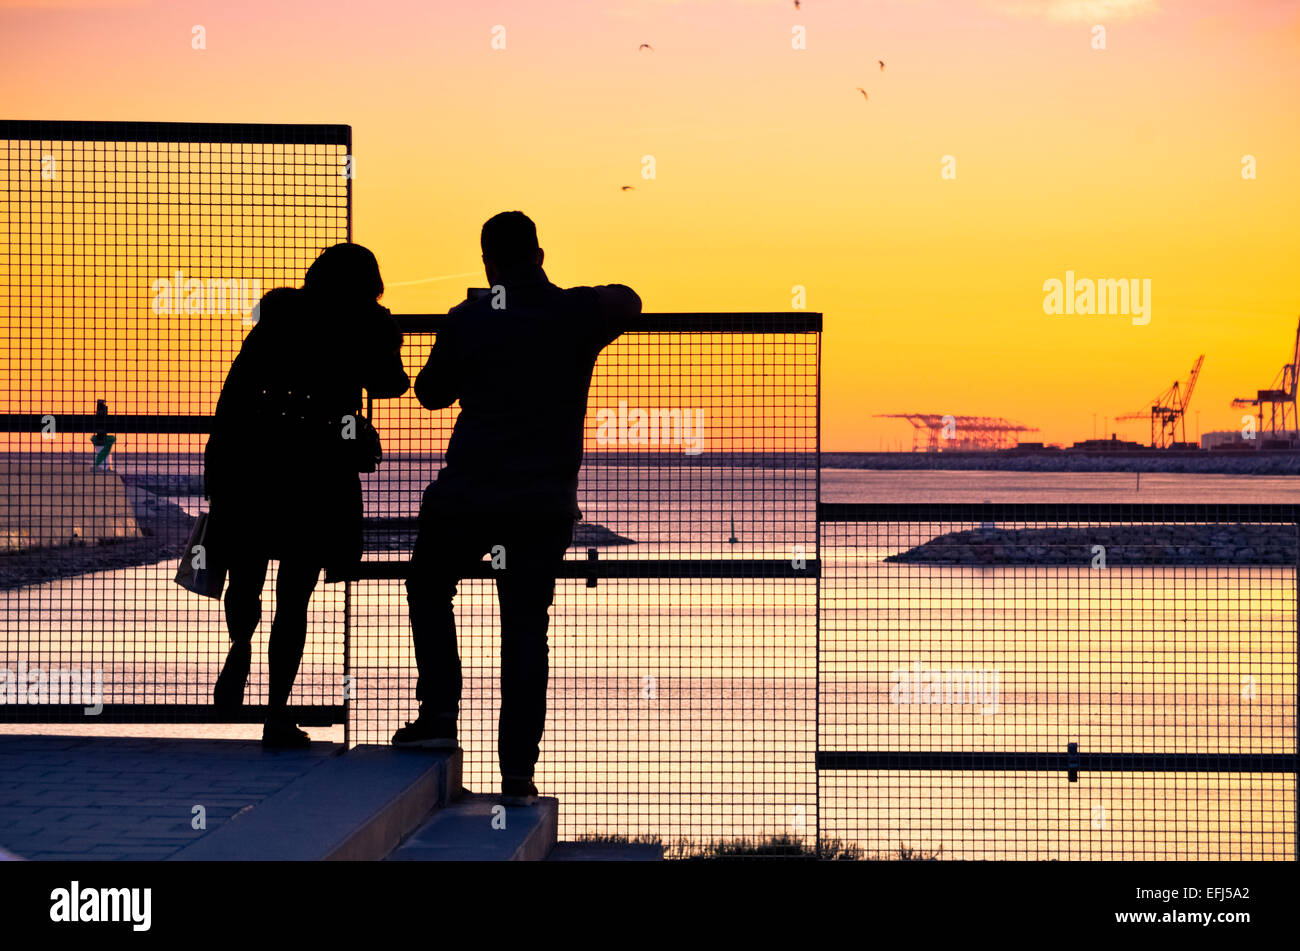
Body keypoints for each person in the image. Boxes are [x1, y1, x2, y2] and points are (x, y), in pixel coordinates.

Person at [394, 211, 640, 806]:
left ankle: (438, 716)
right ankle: (518, 773)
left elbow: (429, 394)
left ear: (488, 263)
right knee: (526, 628)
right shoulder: (577, 314)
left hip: (470, 491)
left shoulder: (470, 318)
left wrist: (476, 315)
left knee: (429, 587)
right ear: (541, 256)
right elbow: (629, 299)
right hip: (542, 500)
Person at [205, 243, 409, 748]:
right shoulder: (363, 324)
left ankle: (239, 644)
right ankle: (276, 715)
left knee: (246, 574)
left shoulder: (276, 316)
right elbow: (391, 383)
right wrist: (386, 333)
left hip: (251, 462)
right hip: (316, 471)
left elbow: (235, 394)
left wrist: (219, 472)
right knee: (294, 596)